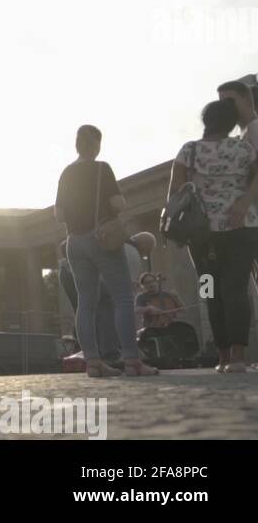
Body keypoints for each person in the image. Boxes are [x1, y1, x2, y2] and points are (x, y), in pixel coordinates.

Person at [55, 125, 158, 377]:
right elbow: (117, 203)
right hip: (101, 236)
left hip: (73, 242)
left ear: (76, 145)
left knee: (86, 303)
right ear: (96, 145)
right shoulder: (102, 168)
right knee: (122, 297)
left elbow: (58, 214)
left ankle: (92, 362)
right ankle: (133, 361)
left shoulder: (66, 172)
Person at [167, 99, 258, 373]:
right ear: (231, 122)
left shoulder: (189, 151)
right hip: (242, 229)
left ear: (205, 121)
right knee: (237, 288)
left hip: (201, 235)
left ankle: (222, 357)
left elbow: (175, 192)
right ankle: (240, 357)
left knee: (209, 289)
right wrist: (243, 202)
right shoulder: (244, 149)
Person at [57, 241, 121, 362]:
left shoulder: (65, 269)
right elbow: (98, 289)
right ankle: (108, 354)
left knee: (84, 312)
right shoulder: (73, 267)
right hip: (94, 310)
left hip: (85, 309)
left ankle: (93, 356)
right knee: (103, 307)